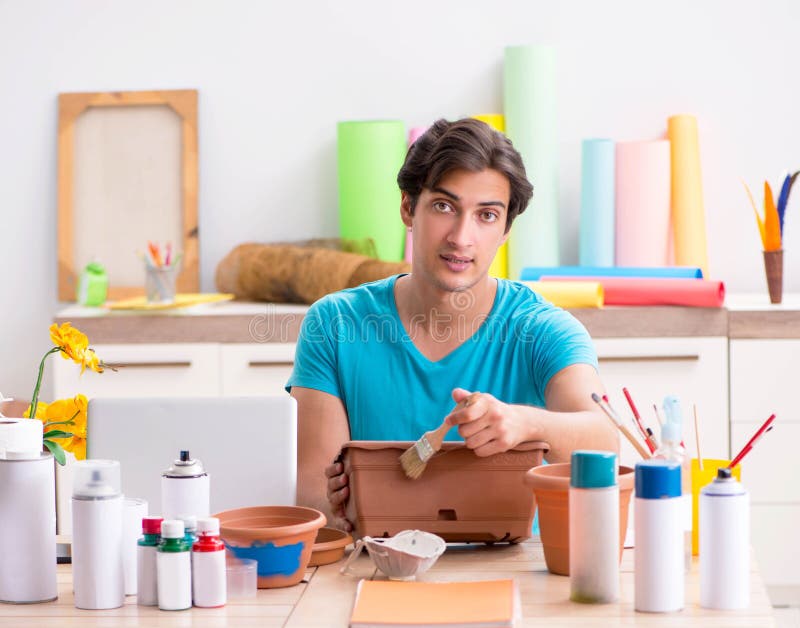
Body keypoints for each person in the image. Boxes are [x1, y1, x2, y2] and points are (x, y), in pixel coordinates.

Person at [287, 118, 618, 531]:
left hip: (511, 568)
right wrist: (335, 506)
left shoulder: (543, 330)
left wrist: (526, 423)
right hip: (375, 566)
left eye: (487, 215)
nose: (462, 237)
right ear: (409, 208)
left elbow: (606, 440)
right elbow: (314, 494)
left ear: (505, 230)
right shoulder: (335, 325)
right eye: (445, 207)